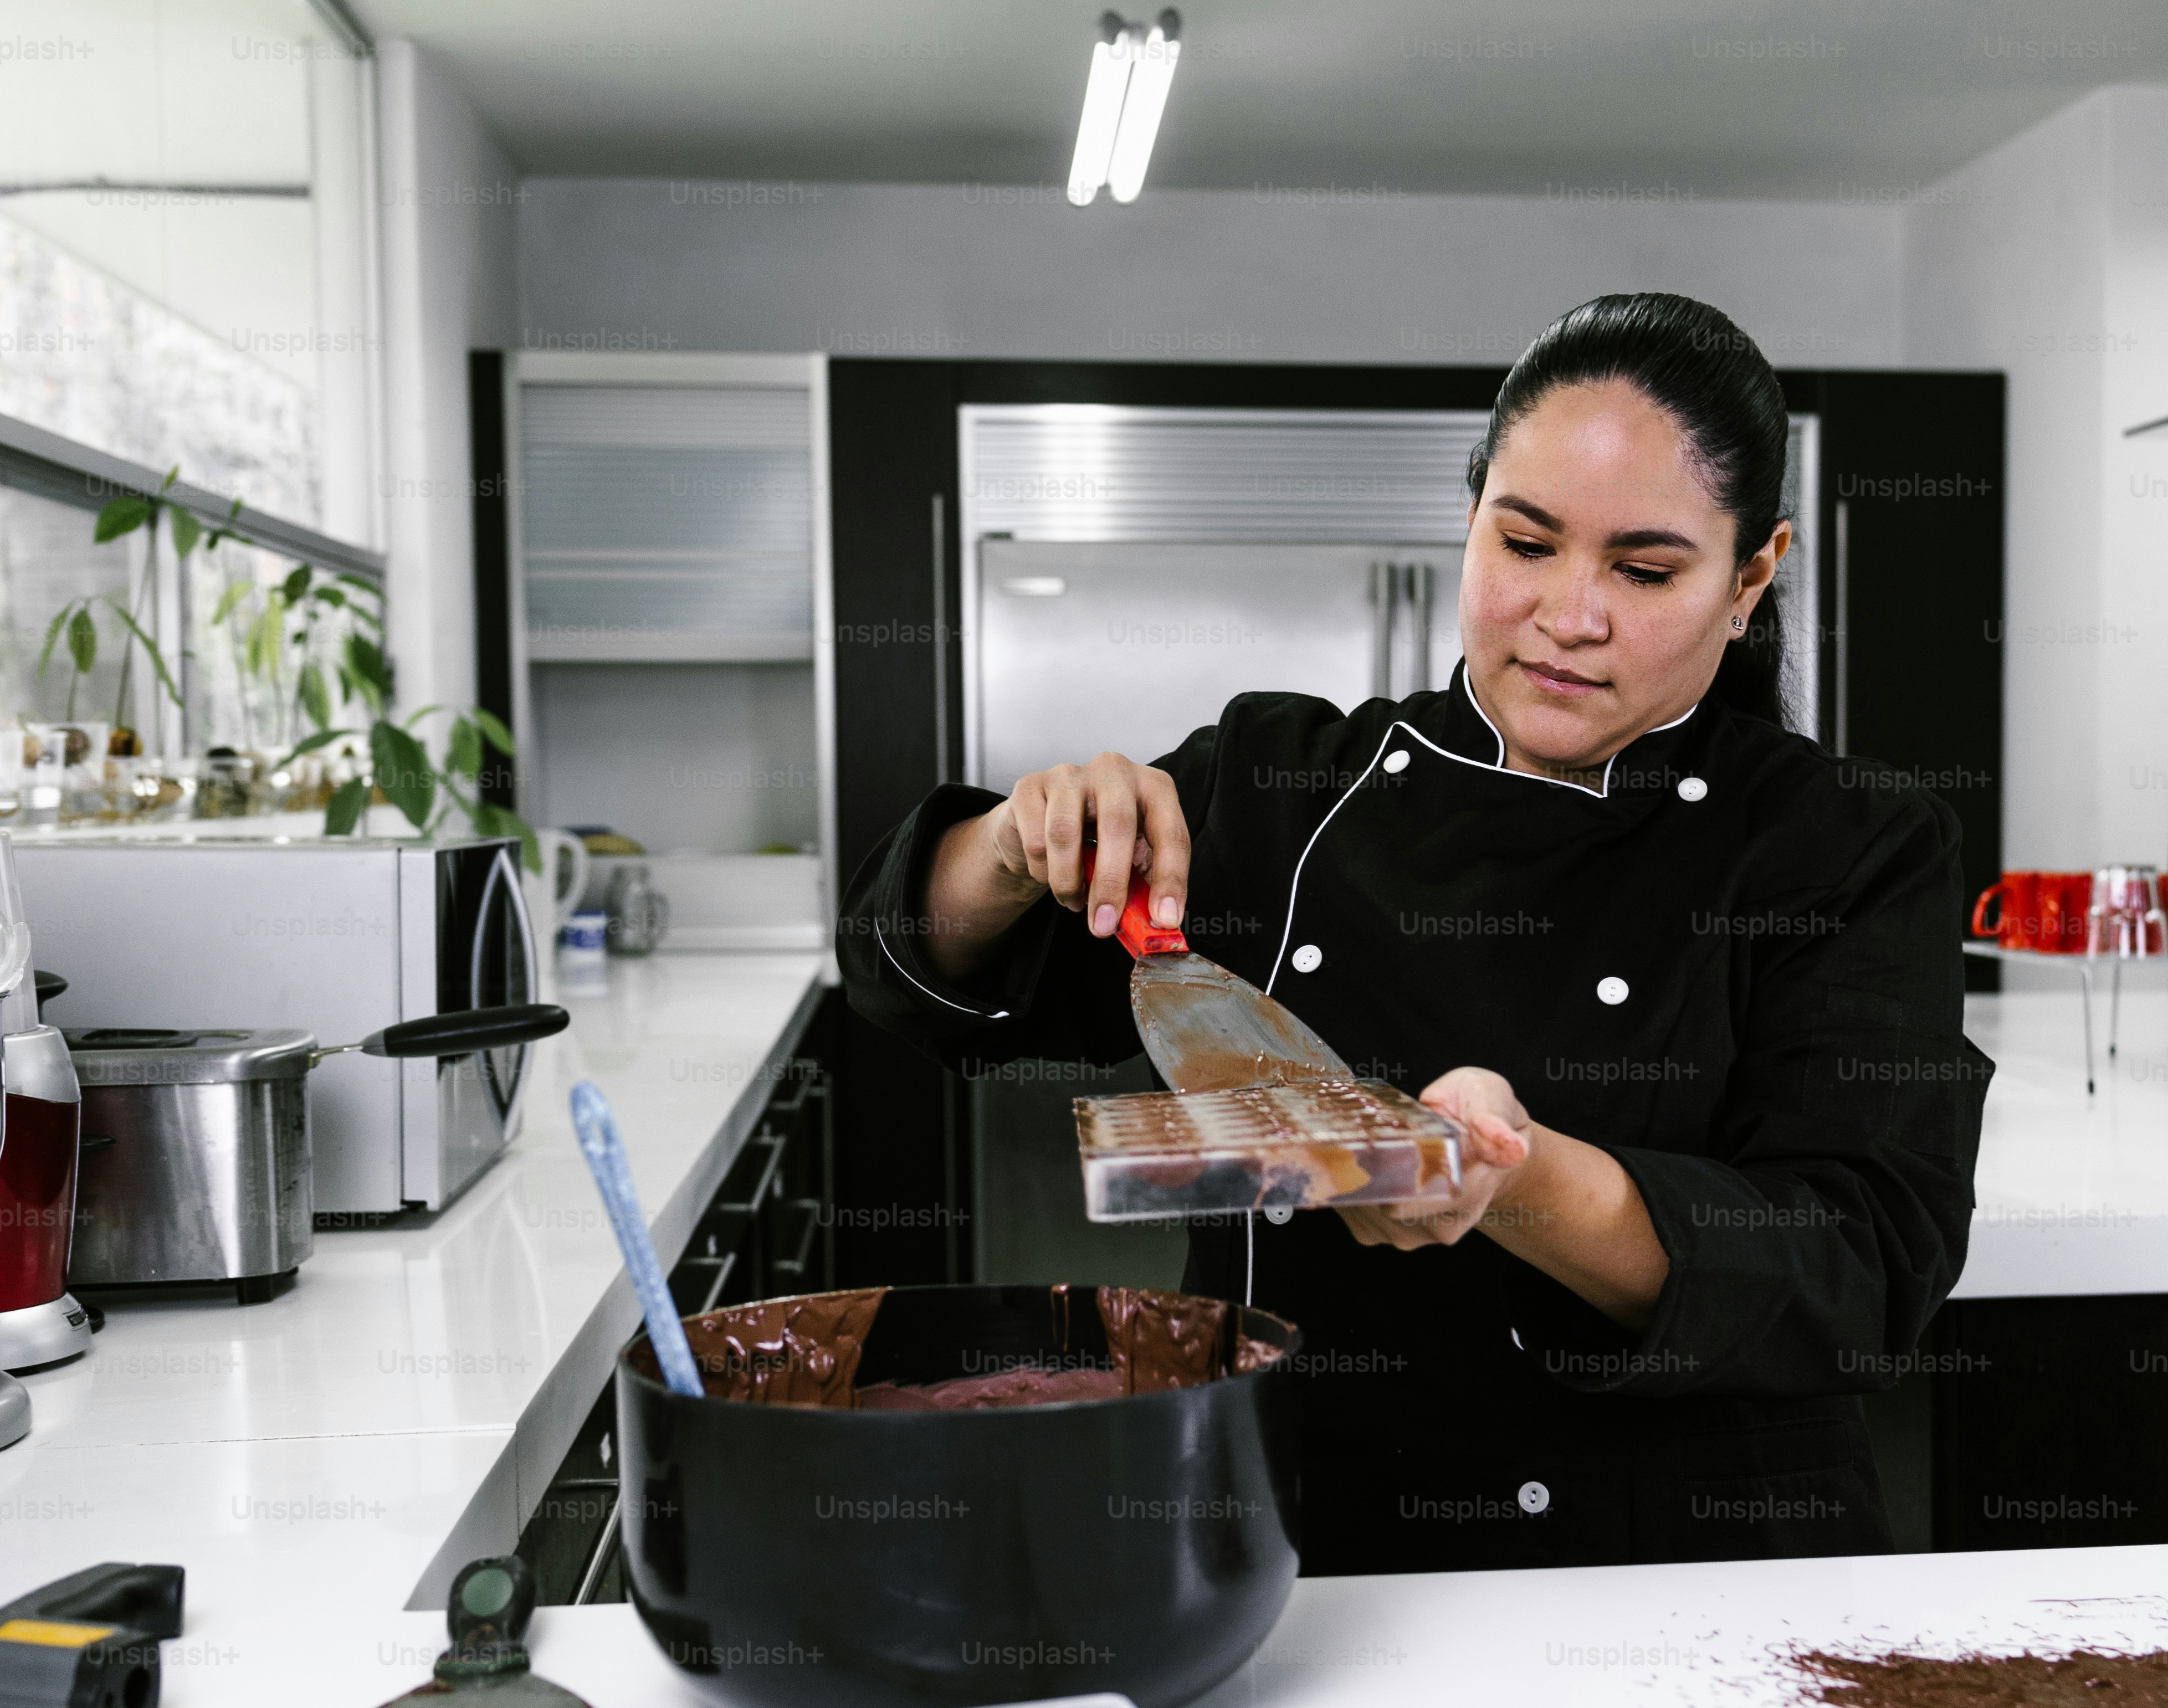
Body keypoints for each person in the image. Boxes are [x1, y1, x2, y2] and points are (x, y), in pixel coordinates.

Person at [839, 291, 1990, 1572]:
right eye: (1526, 543)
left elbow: (1857, 1269)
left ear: (1750, 577)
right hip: (1292, 1533)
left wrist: (1517, 1182)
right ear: (1470, 516)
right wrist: (1015, 841)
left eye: (1643, 571)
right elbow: (919, 973)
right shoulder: (1279, 779)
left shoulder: (1846, 845)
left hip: (1669, 1568)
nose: (1569, 615)